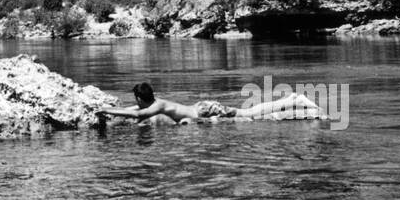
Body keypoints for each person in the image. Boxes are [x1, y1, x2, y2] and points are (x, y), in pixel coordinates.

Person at [99, 82, 320, 124]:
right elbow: (134, 110)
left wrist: (106, 109)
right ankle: (291, 102)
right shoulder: (155, 102)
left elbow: (137, 115)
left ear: (139, 97)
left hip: (204, 112)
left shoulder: (156, 107)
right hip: (202, 108)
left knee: (248, 113)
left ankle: (293, 100)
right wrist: (112, 113)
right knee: (248, 113)